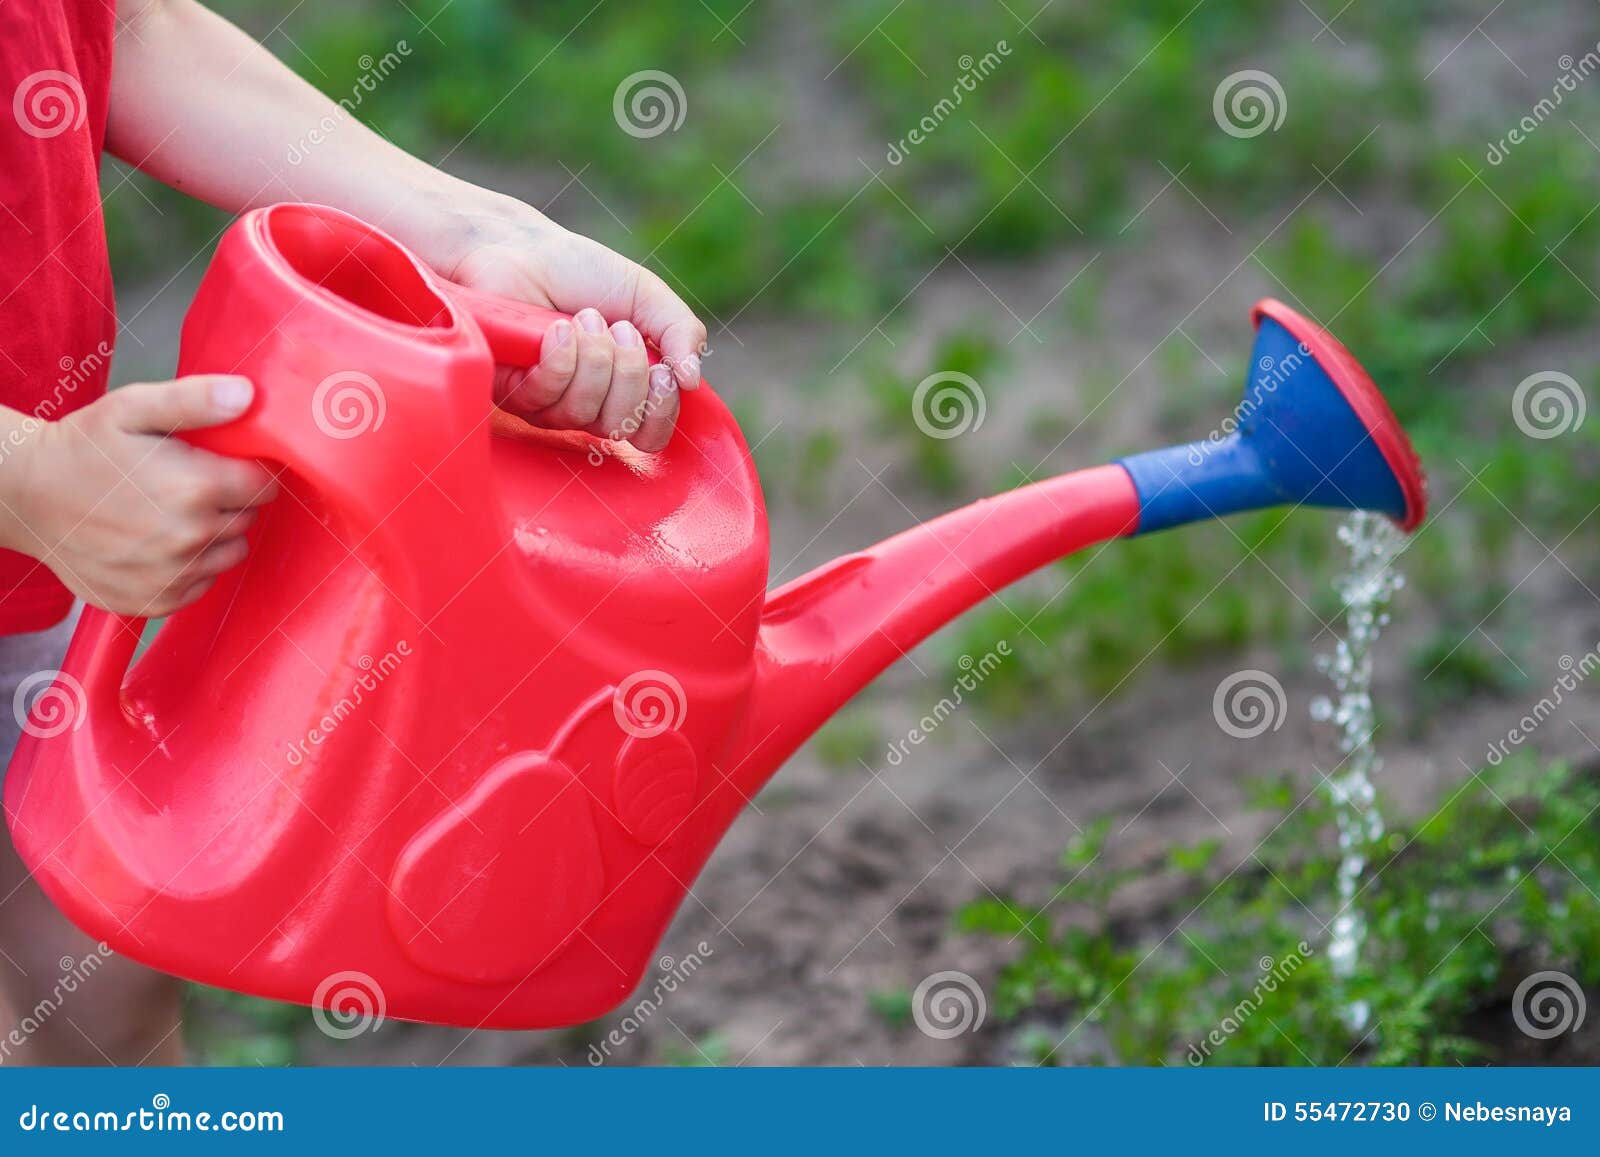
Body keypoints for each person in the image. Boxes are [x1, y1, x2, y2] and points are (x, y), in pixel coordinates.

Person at [0, 0, 706, 1064]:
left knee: (98, 982)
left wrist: (482, 235)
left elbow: (110, 25)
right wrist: (27, 477)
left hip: (28, 564)